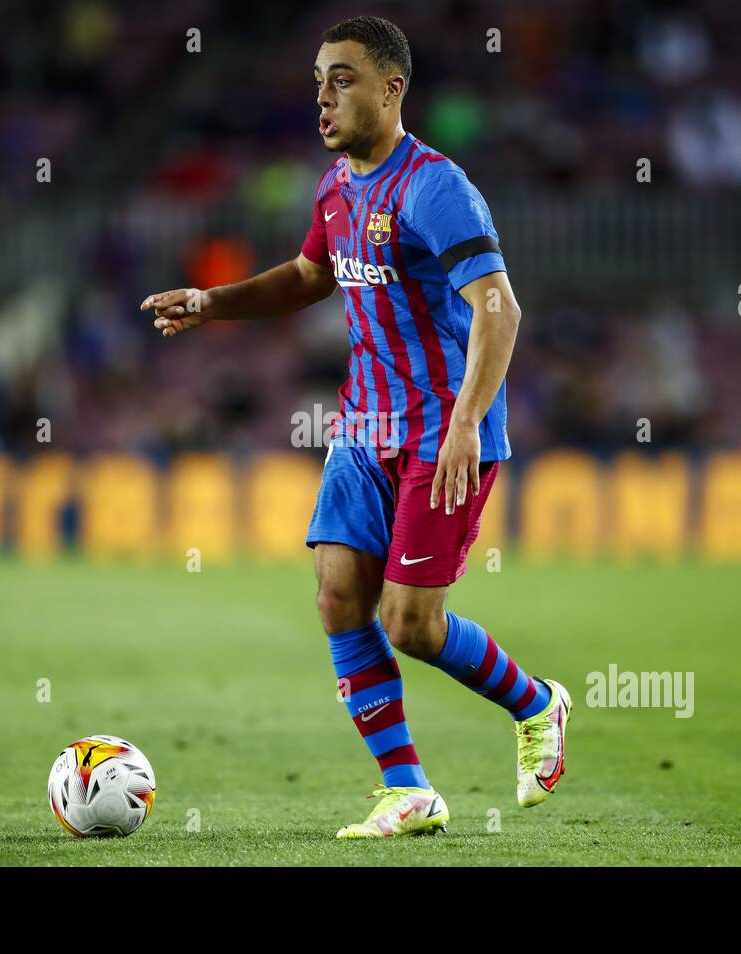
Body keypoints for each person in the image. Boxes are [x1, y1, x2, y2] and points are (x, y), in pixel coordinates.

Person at [141, 16, 570, 838]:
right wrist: (214, 302)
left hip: (441, 436)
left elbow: (499, 306)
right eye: (317, 81)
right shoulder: (338, 187)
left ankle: (538, 703)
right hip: (361, 429)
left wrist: (468, 422)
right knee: (340, 597)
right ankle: (407, 788)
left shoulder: (436, 188)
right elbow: (309, 275)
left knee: (412, 625)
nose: (324, 97)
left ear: (392, 87)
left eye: (342, 79)